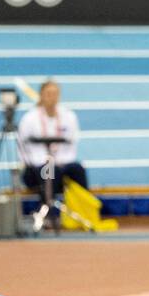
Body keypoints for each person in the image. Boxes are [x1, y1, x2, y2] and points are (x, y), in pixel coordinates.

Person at [18, 80, 88, 211]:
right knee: (50, 170)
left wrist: (60, 162)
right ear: (41, 95)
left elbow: (72, 145)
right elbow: (22, 148)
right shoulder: (29, 119)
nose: (52, 97)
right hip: (35, 168)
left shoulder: (69, 116)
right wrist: (42, 162)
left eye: (55, 93)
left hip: (62, 164)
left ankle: (84, 211)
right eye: (48, 93)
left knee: (78, 169)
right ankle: (45, 211)